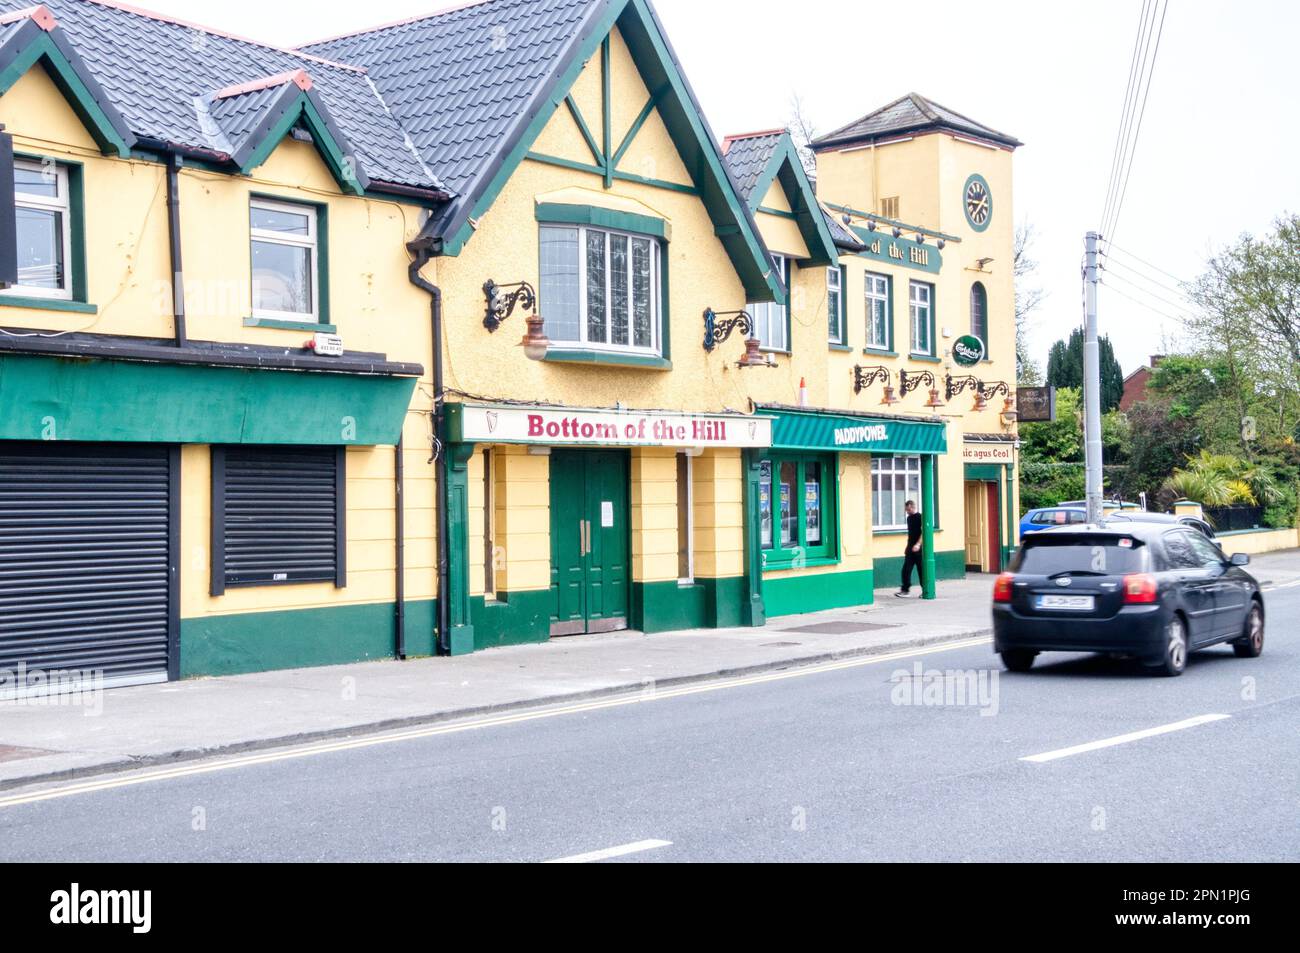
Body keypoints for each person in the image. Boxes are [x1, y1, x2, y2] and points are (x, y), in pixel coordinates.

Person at [896, 500, 923, 598]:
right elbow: (910, 534)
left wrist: (918, 544)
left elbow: (923, 533)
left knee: (921, 571)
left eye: (907, 509)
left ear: (912, 507)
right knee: (906, 569)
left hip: (919, 549)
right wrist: (907, 547)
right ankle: (905, 590)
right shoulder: (909, 519)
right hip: (910, 549)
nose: (906, 511)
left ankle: (926, 590)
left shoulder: (921, 517)